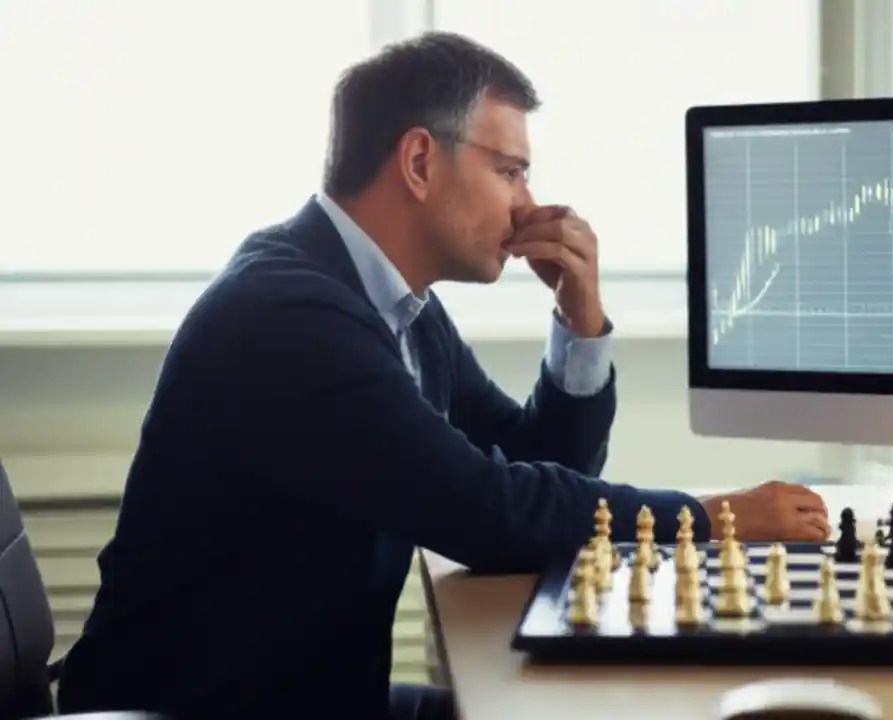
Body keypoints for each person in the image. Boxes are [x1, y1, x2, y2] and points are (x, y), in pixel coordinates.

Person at [55, 31, 830, 720]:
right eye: (510, 171)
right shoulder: (289, 317)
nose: (529, 205)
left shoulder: (398, 308)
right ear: (420, 161)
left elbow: (539, 465)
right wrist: (715, 517)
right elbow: (488, 511)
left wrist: (580, 319)